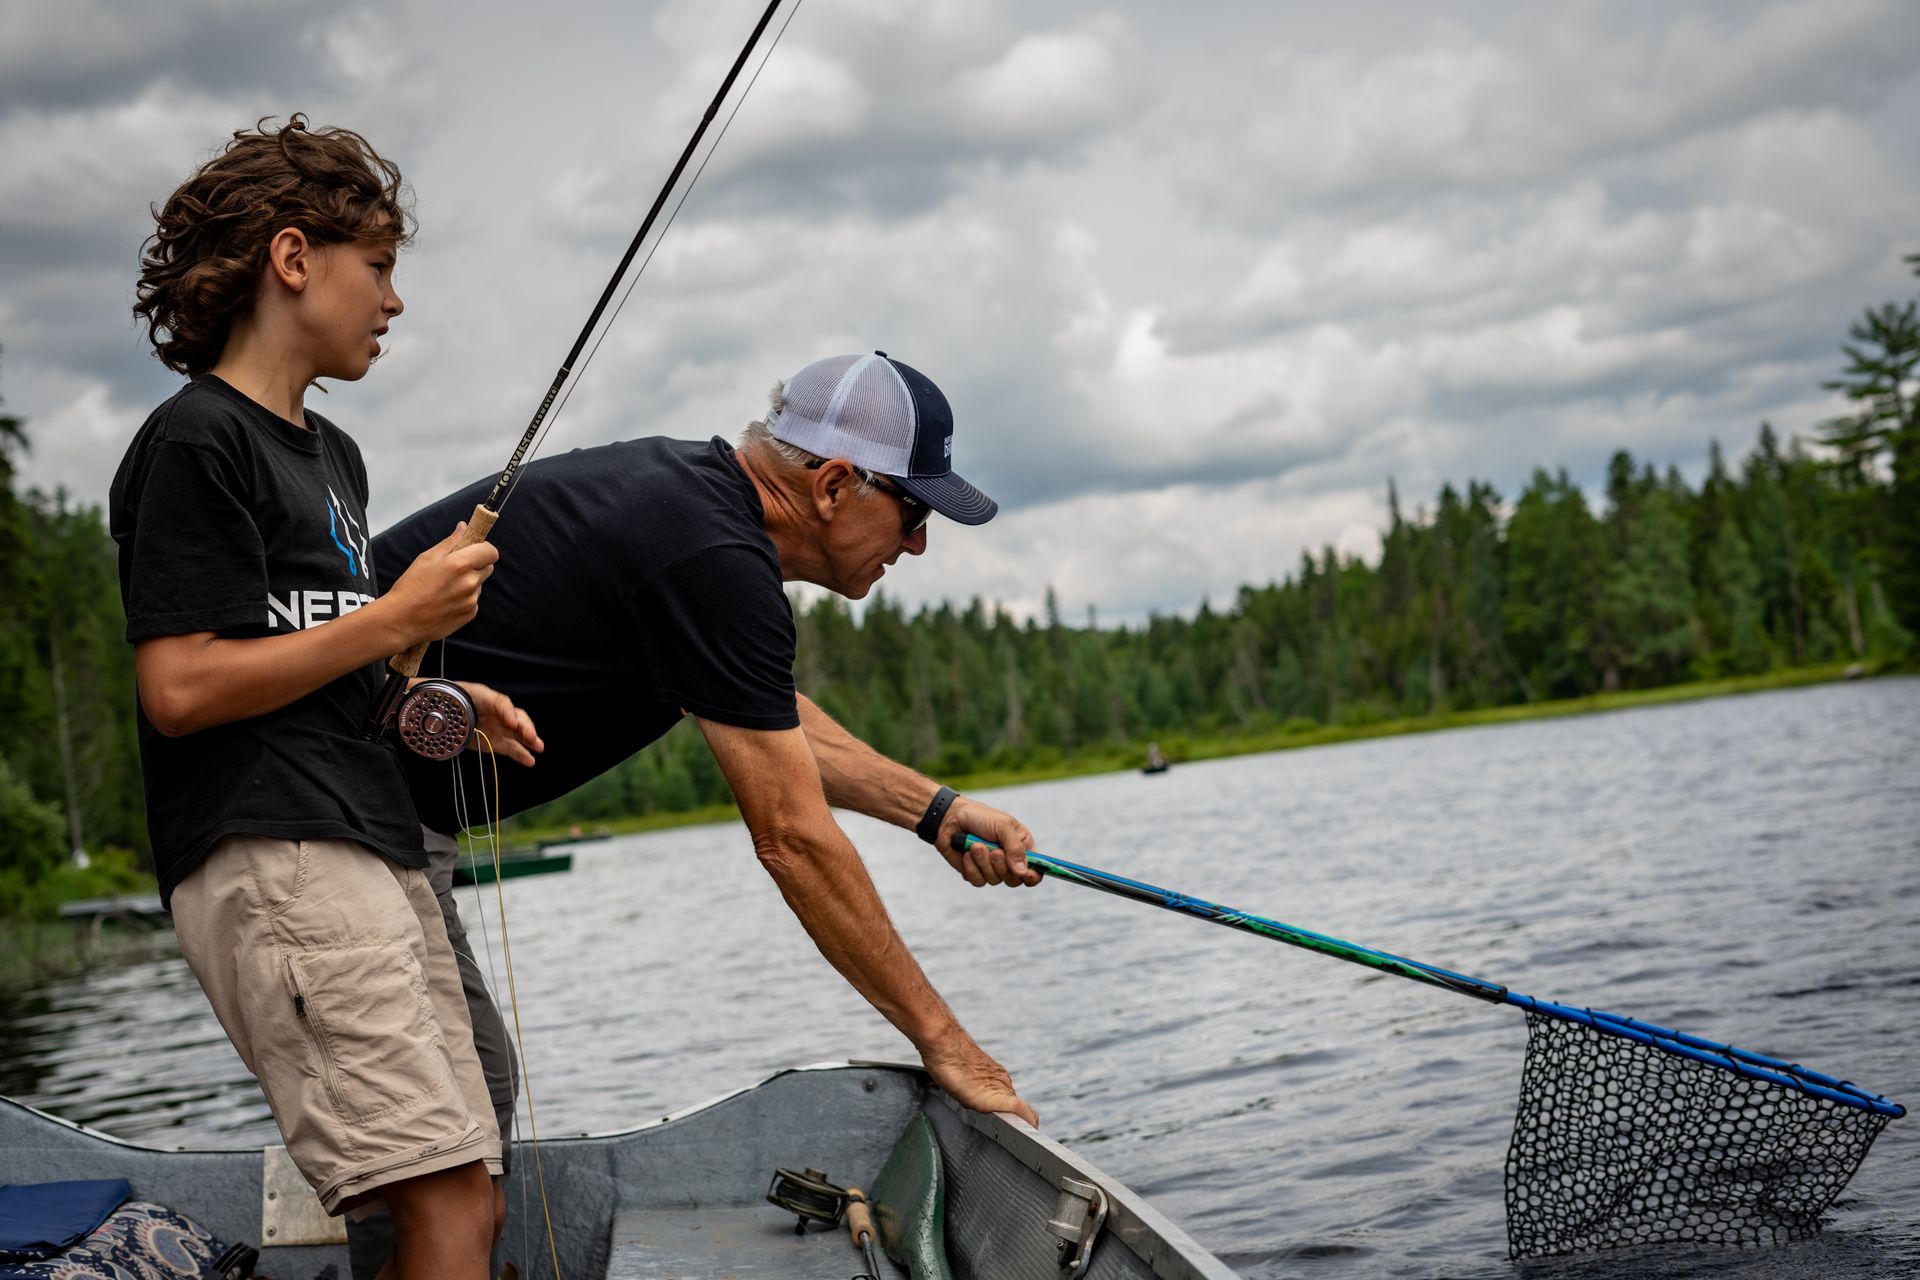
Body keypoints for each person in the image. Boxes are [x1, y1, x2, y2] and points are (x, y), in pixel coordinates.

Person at [354, 352, 1040, 1273]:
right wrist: (951, 1048)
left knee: (470, 1094)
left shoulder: (695, 515)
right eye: (914, 513)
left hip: (374, 833)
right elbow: (793, 839)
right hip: (317, 823)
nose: (917, 544)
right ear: (836, 484)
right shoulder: (708, 550)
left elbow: (770, 716)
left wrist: (935, 810)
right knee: (440, 1145)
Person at [109, 116, 541, 1280]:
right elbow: (182, 683)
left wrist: (437, 693)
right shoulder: (196, 442)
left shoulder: (333, 456)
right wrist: (397, 616)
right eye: (382, 267)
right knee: (447, 1201)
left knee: (474, 1191)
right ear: (293, 258)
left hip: (365, 831)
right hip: (276, 845)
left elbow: (318, 660)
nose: (395, 302)